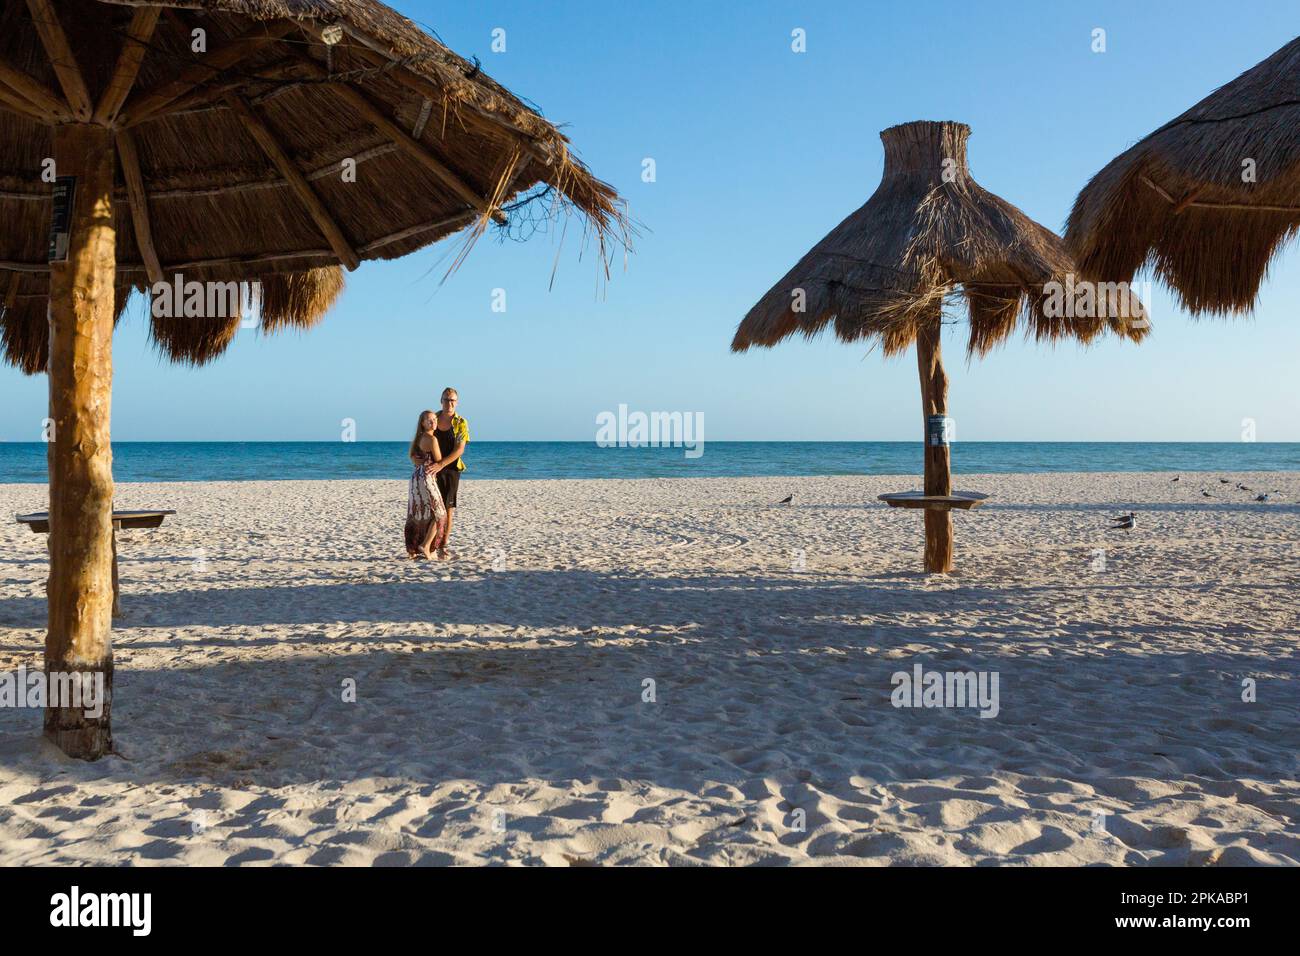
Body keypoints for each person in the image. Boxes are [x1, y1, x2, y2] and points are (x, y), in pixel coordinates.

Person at [428, 387, 469, 560]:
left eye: (452, 400)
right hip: (432, 470)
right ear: (441, 401)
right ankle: (429, 545)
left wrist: (442, 464)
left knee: (447, 509)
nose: (449, 403)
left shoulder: (461, 422)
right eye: (446, 399)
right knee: (432, 508)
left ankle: (443, 546)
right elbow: (423, 440)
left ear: (457, 402)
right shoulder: (433, 419)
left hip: (451, 471)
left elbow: (459, 450)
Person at [404, 410, 448, 560]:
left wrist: (420, 462)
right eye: (429, 420)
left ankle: (412, 550)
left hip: (416, 477)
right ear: (422, 423)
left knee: (417, 513)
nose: (433, 422)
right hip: (427, 477)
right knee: (440, 513)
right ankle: (425, 545)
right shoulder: (432, 439)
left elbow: (412, 457)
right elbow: (439, 459)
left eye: (435, 419)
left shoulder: (417, 438)